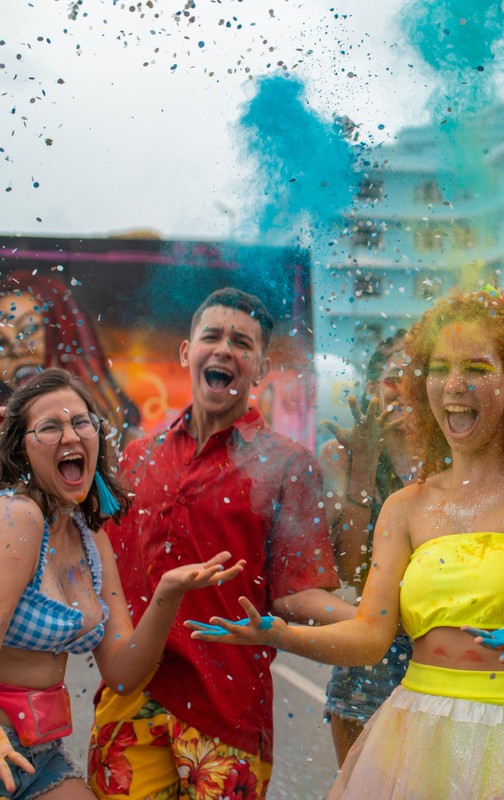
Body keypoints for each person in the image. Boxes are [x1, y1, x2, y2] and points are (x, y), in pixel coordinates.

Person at [191, 291, 504, 799]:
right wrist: (275, 634)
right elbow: (370, 636)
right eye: (439, 368)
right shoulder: (405, 506)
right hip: (415, 732)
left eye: (476, 367)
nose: (454, 386)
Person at [87, 288, 351, 800]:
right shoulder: (138, 459)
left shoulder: (289, 466)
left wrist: (372, 619)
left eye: (242, 342)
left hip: (228, 717)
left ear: (260, 367)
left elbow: (296, 594)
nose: (224, 349)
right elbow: (108, 582)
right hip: (131, 705)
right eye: (212, 336)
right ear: (187, 352)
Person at [0, 369, 243, 799]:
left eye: (81, 423)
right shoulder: (19, 518)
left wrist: (167, 595)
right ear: (22, 449)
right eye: (50, 427)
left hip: (40, 753)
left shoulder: (90, 538)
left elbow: (122, 673)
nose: (70, 436)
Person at [319, 330, 415, 765]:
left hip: (442, 655)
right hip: (369, 660)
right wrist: (365, 465)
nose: (406, 388)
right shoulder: (339, 455)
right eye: (395, 377)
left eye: (419, 375)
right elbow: (349, 569)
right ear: (373, 387)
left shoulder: (456, 455)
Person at [1, 272, 142, 445]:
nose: (16, 349)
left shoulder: (131, 446)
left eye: (29, 330)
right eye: (1, 341)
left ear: (64, 333)